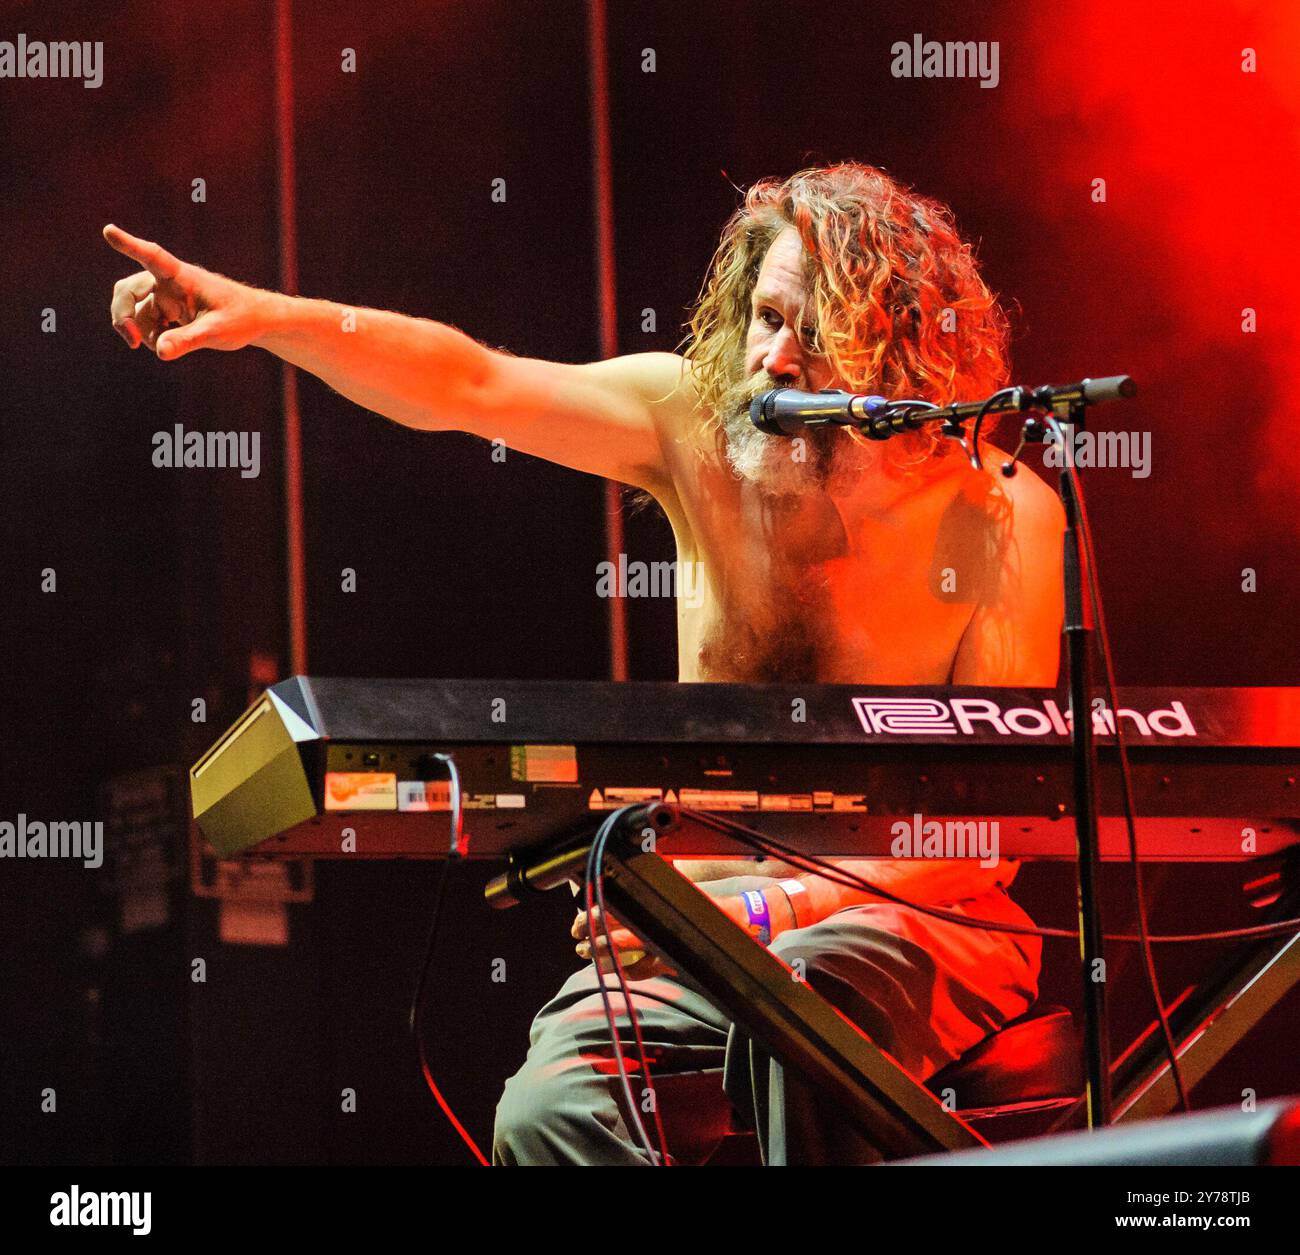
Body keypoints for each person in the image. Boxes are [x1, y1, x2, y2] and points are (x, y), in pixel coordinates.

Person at [105, 161, 1062, 1165]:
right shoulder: (692, 427)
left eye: (814, 335)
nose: (774, 359)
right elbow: (467, 383)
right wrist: (259, 315)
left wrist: (764, 907)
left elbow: (981, 836)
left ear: (900, 358)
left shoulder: (998, 519)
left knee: (797, 1025)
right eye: (765, 319)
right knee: (547, 1113)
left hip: (918, 915)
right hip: (713, 919)